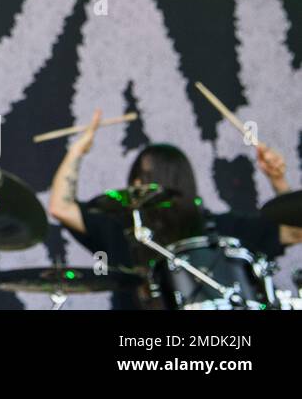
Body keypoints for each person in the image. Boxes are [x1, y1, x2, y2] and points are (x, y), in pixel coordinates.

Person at [47, 109, 302, 309]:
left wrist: (277, 179)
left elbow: (294, 231)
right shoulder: (122, 230)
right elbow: (60, 207)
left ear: (175, 181)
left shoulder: (222, 230)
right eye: (135, 176)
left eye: (146, 175)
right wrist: (77, 150)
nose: (136, 184)